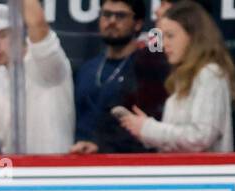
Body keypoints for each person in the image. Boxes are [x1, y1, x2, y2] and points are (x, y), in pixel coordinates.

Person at [116, 0, 235, 153]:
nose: (164, 43)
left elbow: (201, 137)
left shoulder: (209, 73)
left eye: (170, 36)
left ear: (193, 35)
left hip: (205, 175)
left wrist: (149, 128)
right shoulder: (183, 77)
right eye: (161, 36)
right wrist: (143, 128)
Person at [69, 0, 167, 154]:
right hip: (79, 159)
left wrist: (102, 146)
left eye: (120, 16)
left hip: (126, 163)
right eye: (106, 14)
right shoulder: (86, 69)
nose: (112, 21)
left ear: (138, 24)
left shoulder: (148, 68)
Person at [0, 0, 74, 154]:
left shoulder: (43, 64)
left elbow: (38, 23)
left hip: (53, 172)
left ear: (19, 32)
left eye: (2, 35)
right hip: (15, 172)